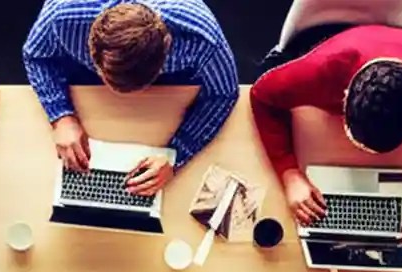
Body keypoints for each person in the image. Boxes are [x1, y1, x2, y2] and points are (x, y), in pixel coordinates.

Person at [250, 22, 402, 243]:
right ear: (344, 97)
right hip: (344, 40)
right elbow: (261, 94)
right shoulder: (324, 68)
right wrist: (289, 173)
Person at [22, 0, 239, 196]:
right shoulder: (62, 16)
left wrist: (176, 154)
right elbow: (35, 54)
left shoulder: (201, 37)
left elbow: (223, 93)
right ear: (91, 49)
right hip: (85, 82)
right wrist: (61, 116)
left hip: (168, 88)